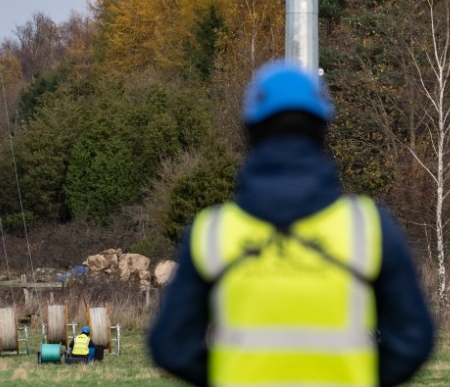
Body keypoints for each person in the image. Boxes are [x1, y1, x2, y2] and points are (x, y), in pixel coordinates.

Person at [148, 60, 434, 387]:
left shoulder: (212, 232)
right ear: (324, 129)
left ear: (249, 131)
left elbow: (170, 346)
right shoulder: (368, 227)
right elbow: (414, 340)